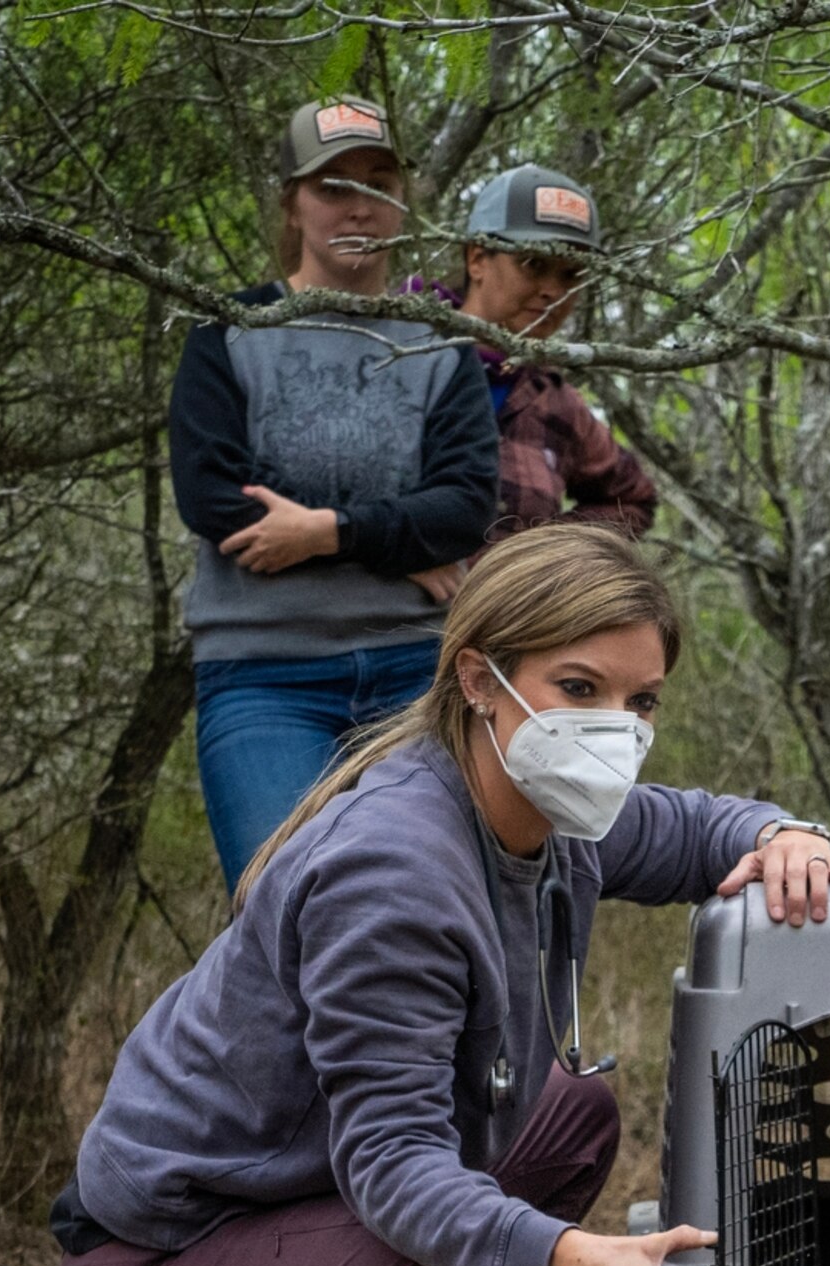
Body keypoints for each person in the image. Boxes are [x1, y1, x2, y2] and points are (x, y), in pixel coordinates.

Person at [36, 524, 830, 1266]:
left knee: (571, 1117)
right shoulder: (397, 871)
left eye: (640, 700)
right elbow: (392, 1166)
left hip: (288, 1224)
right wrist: (572, 1260)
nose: (613, 727)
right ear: (480, 677)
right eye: (576, 685)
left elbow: (698, 828)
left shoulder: (548, 809)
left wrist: (789, 831)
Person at [170, 96, 499, 893]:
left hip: (418, 674)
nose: (358, 205)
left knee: (440, 901)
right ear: (292, 201)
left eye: (379, 183)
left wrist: (330, 533)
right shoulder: (227, 335)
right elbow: (214, 501)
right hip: (263, 678)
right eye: (332, 185)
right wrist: (400, 546)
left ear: (403, 202)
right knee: (287, 905)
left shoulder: (439, 344)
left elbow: (463, 507)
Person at [430, 164, 658, 544]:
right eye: (533, 264)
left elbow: (632, 499)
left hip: (509, 604)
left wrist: (542, 558)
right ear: (477, 259)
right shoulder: (403, 352)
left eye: (571, 275)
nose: (553, 291)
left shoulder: (554, 401)